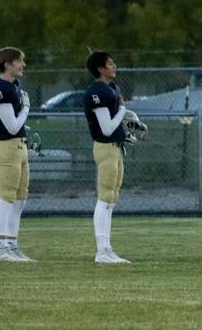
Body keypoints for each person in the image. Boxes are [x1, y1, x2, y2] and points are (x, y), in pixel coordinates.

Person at [0, 47, 34, 262]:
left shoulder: (13, 86)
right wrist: (26, 108)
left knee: (20, 198)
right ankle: (2, 248)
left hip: (19, 146)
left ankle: (12, 246)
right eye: (19, 61)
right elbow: (12, 125)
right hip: (9, 145)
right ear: (7, 64)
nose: (23, 65)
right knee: (6, 196)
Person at [83, 51, 130, 265]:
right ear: (101, 68)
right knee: (104, 199)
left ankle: (107, 248)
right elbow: (107, 126)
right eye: (110, 63)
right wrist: (122, 109)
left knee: (111, 199)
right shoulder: (97, 91)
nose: (114, 66)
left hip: (116, 148)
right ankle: (101, 251)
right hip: (105, 147)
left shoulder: (111, 88)